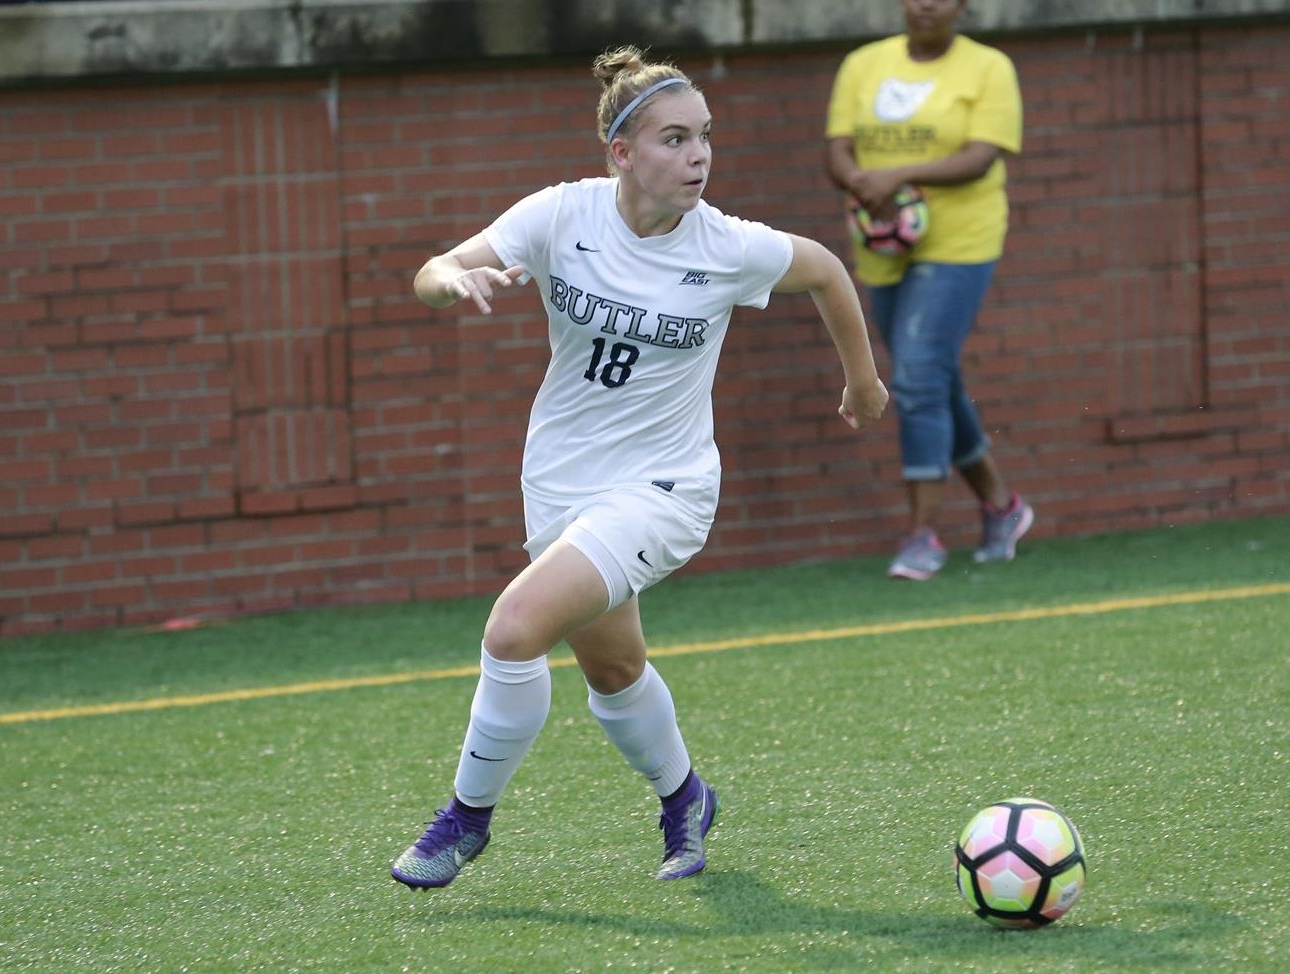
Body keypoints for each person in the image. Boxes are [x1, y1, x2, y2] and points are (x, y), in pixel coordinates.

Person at [391, 45, 888, 889]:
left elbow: (828, 272)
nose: (696, 156)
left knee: (513, 631)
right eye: (672, 139)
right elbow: (435, 270)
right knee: (613, 670)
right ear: (620, 152)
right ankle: (685, 798)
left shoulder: (727, 245)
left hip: (664, 490)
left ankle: (463, 822)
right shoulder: (561, 214)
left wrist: (863, 379)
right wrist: (452, 284)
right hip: (557, 484)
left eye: (704, 137)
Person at [825, 0, 1033, 580]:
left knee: (915, 377)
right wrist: (862, 181)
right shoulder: (864, 64)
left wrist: (897, 175)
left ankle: (922, 536)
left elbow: (981, 156)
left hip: (960, 243)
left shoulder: (989, 68)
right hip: (882, 245)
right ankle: (1003, 507)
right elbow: (838, 149)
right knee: (934, 375)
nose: (925, 5)